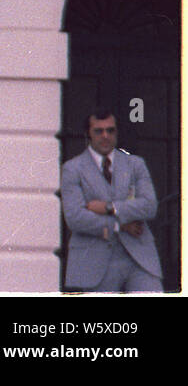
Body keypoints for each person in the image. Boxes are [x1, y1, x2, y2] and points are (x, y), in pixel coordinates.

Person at [61, 110, 162, 293]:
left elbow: (149, 205)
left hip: (139, 257)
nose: (105, 136)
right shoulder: (72, 169)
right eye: (99, 131)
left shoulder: (135, 164)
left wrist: (109, 207)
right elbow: (75, 218)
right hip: (93, 259)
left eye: (110, 130)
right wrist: (119, 226)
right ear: (88, 134)